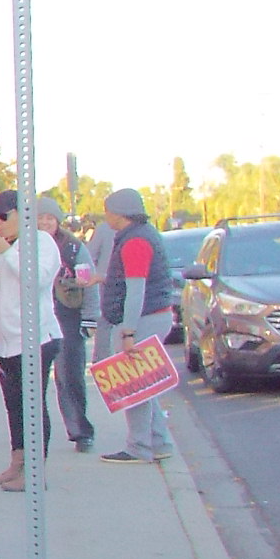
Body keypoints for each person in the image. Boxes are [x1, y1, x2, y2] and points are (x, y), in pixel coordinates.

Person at [0, 189, 61, 491]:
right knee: (14, 405)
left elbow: (37, 280)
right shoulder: (5, 248)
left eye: (4, 216)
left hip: (36, 339)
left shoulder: (40, 241)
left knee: (33, 404)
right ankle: (17, 463)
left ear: (21, 214)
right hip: (6, 340)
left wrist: (8, 252)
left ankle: (35, 473)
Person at [98, 186, 177, 463]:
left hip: (143, 319)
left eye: (107, 210)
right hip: (155, 315)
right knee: (146, 382)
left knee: (135, 384)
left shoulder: (134, 242)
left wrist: (128, 331)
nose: (105, 215)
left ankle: (139, 447)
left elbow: (136, 291)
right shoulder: (142, 236)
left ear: (119, 213)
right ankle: (159, 442)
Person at [43, 198, 97, 453]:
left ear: (57, 221)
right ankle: (30, 435)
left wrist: (89, 318)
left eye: (49, 218)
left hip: (67, 318)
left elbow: (88, 282)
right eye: (39, 218)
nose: (44, 223)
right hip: (34, 318)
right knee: (30, 379)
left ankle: (80, 432)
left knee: (70, 376)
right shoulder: (21, 246)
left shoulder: (74, 248)